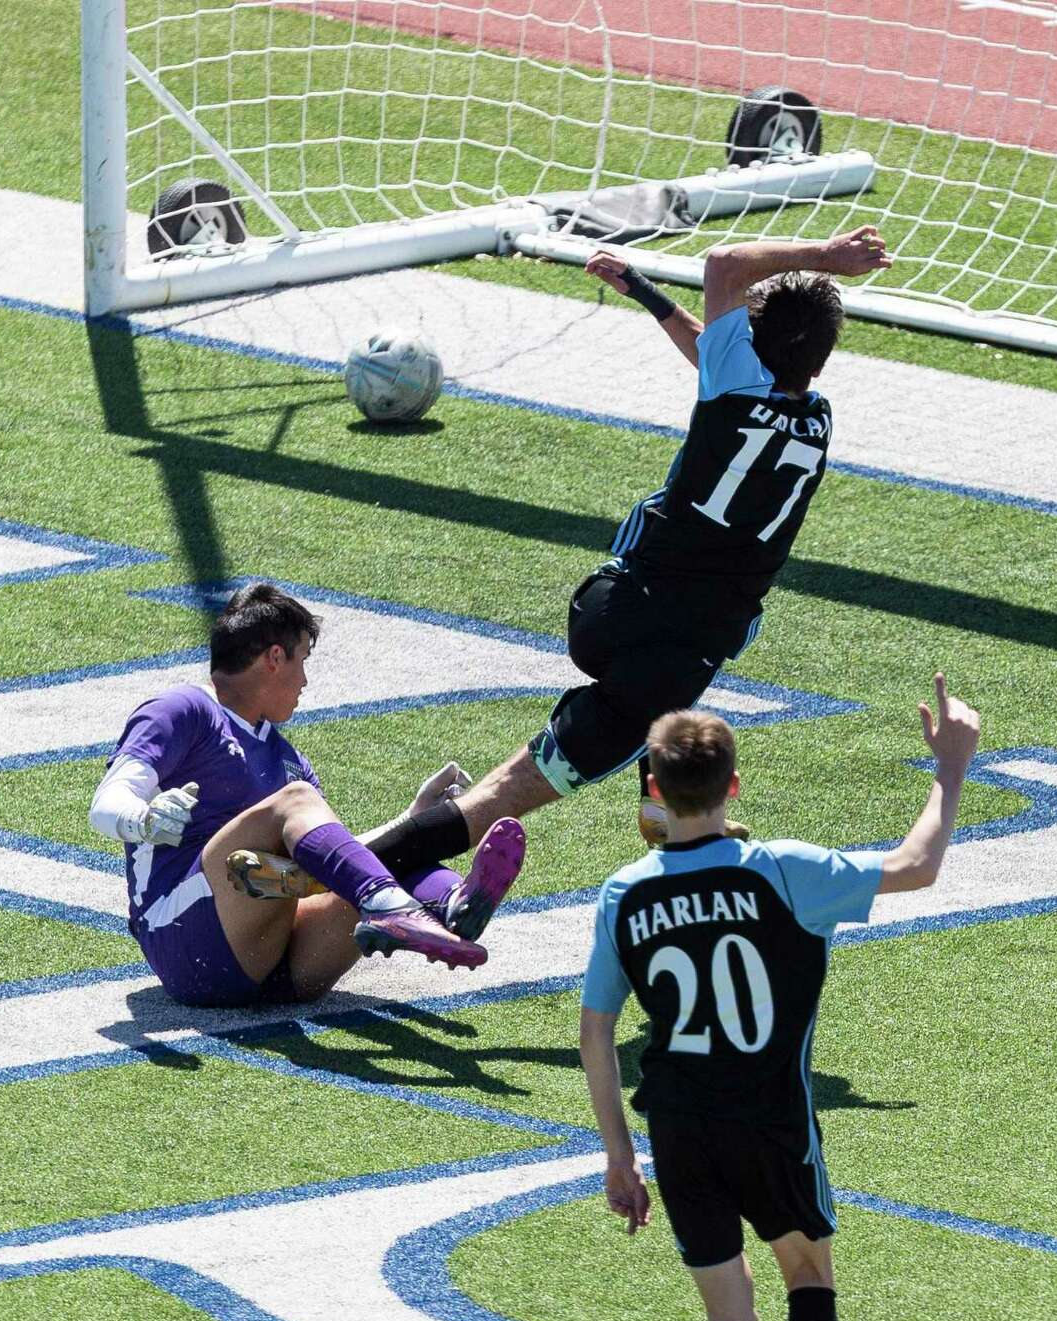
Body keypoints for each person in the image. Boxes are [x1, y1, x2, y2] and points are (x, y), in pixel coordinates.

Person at [341, 227, 893, 899]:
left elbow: (724, 268)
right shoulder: (819, 419)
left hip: (608, 610)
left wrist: (824, 256)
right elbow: (721, 356)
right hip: (677, 659)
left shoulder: (733, 387)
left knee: (629, 717)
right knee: (504, 793)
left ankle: (360, 871)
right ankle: (663, 803)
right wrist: (646, 294)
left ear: (747, 340)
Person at [578, 676, 981, 1321]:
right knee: (807, 1275)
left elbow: (596, 1031)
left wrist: (618, 1154)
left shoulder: (624, 895)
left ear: (649, 785)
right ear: (734, 786)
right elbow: (917, 864)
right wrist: (949, 768)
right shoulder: (782, 869)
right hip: (770, 1122)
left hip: (679, 1133)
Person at [88, 582, 526, 1007]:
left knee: (385, 859)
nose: (305, 680)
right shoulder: (185, 709)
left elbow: (329, 866)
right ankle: (395, 907)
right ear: (275, 657)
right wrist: (143, 819)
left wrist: (410, 821)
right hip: (183, 941)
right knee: (299, 815)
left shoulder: (287, 756)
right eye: (303, 659)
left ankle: (455, 906)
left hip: (278, 969)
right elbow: (107, 801)